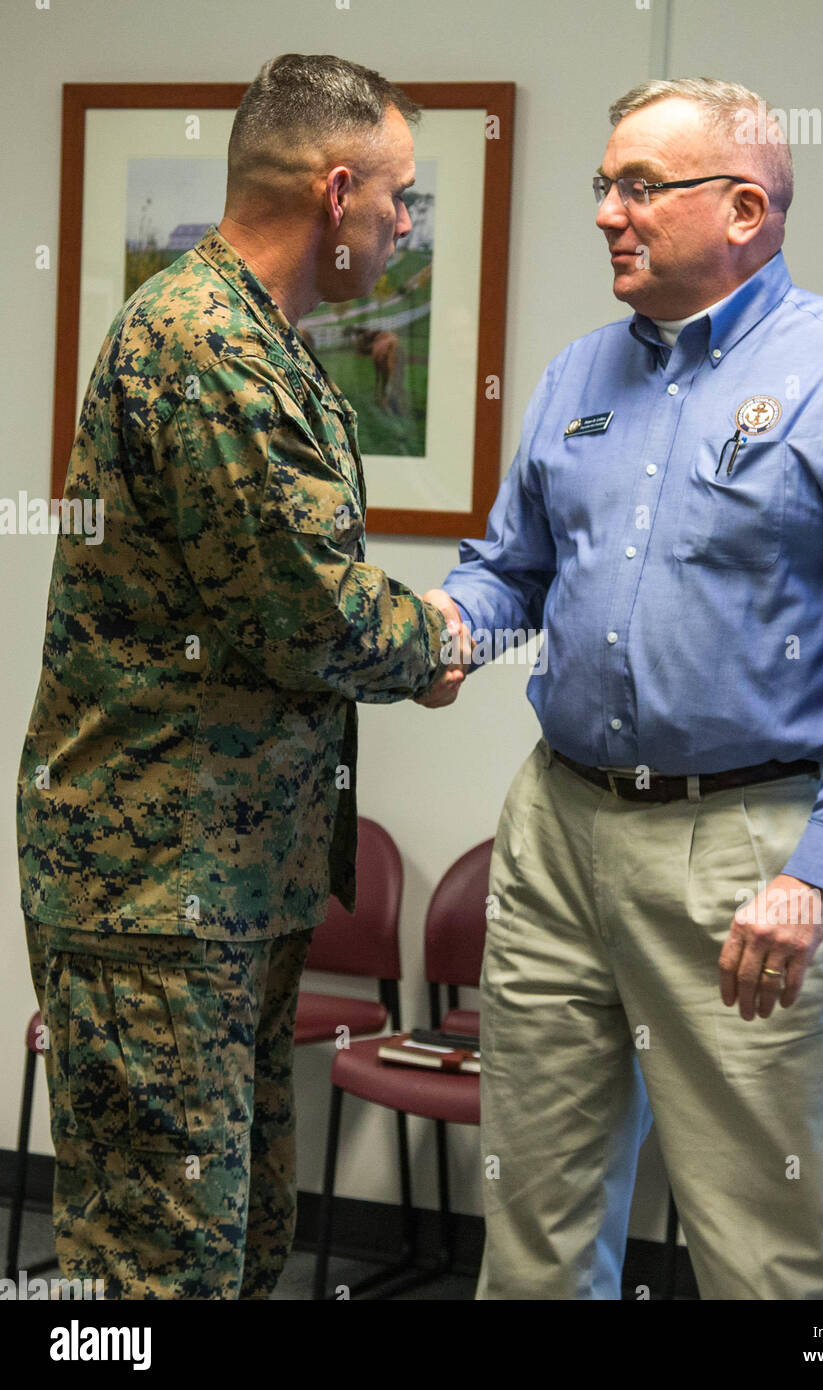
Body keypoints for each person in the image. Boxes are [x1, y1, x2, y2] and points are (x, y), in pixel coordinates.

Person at [420, 77, 823, 1299]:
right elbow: (511, 569)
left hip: (750, 856)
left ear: (745, 208)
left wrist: (818, 873)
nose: (608, 212)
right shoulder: (572, 378)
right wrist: (445, 631)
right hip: (557, 830)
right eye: (602, 185)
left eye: (639, 187)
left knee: (782, 1260)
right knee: (533, 1242)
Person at [16, 53, 460, 1299]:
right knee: (153, 1273)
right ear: (334, 193)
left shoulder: (265, 337)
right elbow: (301, 608)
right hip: (151, 882)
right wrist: (438, 639)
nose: (405, 225)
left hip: (229, 877)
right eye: (399, 198)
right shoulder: (205, 343)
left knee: (235, 1242)